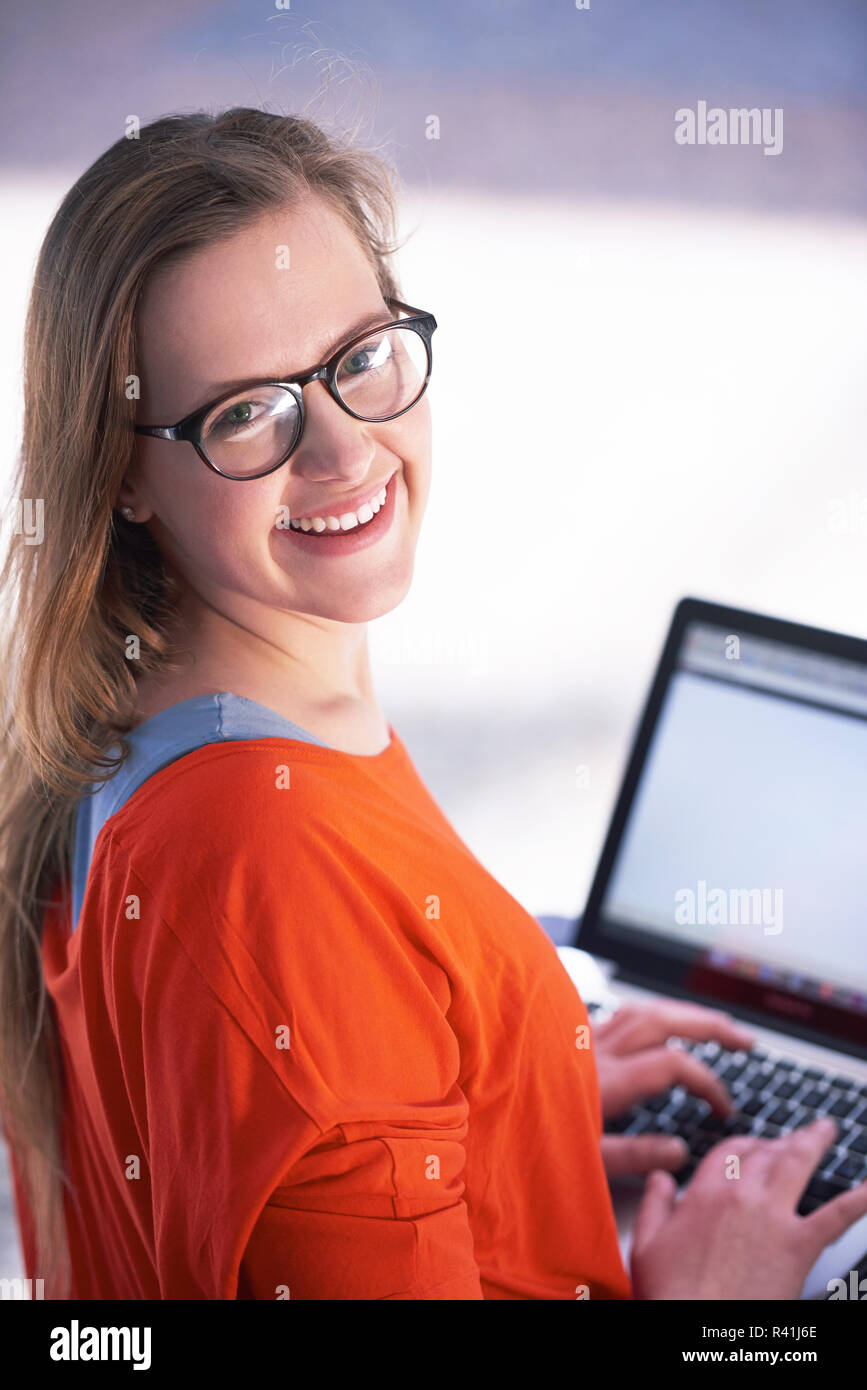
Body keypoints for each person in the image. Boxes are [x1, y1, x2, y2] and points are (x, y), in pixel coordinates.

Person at [1, 107, 865, 1301]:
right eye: (244, 413)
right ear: (122, 474)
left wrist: (522, 1103)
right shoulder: (274, 862)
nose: (346, 455)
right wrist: (711, 1302)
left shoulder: (131, 726)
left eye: (357, 356)